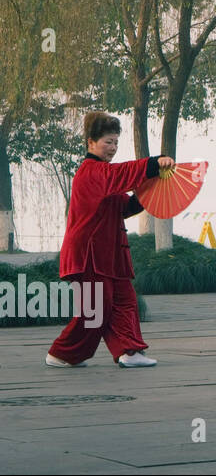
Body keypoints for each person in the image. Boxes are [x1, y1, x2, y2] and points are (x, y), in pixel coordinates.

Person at [46, 112, 172, 369]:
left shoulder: (104, 176)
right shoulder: (90, 173)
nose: (113, 148)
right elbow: (120, 174)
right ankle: (62, 353)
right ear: (91, 142)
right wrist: (154, 163)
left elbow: (123, 207)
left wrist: (149, 191)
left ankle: (129, 351)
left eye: (115, 142)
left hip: (111, 254)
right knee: (96, 311)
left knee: (125, 301)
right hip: (88, 254)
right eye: (108, 142)